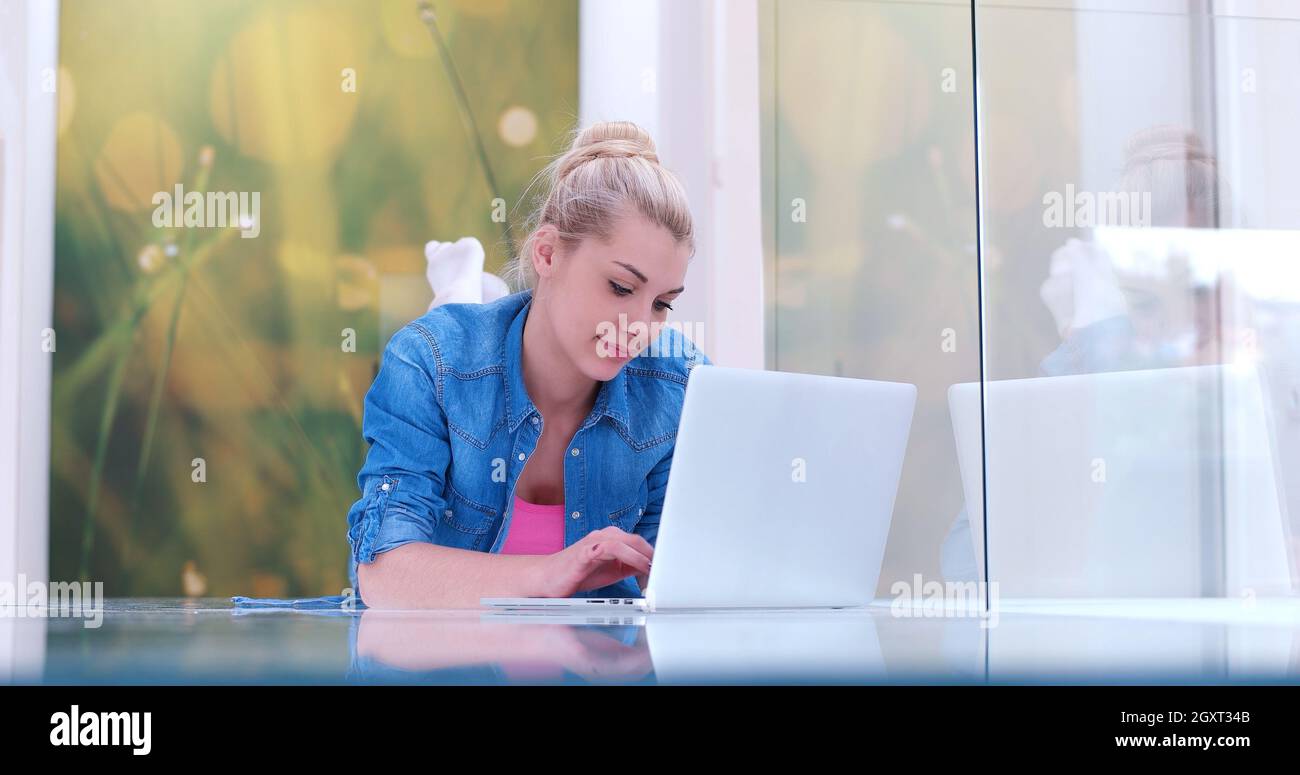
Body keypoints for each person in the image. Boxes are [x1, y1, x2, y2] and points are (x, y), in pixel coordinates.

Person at [347, 120, 710, 608]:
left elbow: (684, 575)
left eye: (663, 303)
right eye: (621, 288)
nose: (639, 325)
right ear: (546, 254)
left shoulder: (680, 387)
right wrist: (553, 573)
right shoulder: (431, 364)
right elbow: (384, 573)